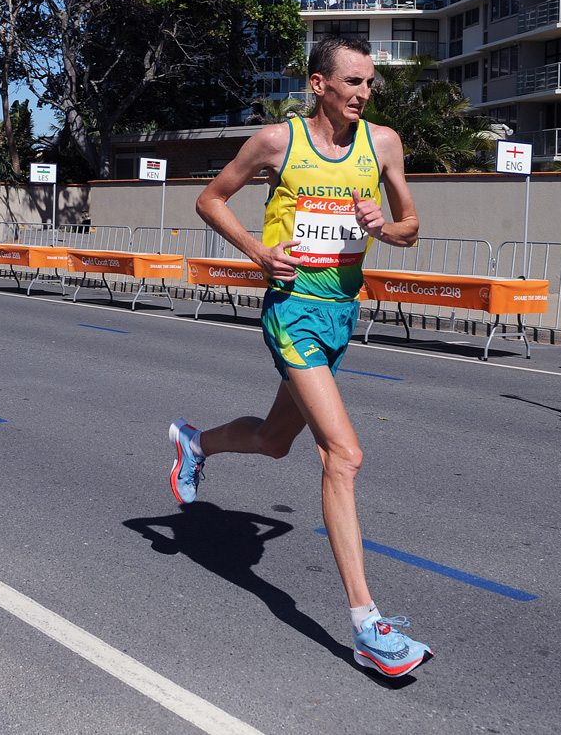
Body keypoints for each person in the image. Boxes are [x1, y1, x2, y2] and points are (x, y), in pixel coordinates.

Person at [178, 36, 431, 678]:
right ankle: (368, 626)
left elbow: (410, 227)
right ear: (318, 84)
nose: (363, 93)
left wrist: (384, 227)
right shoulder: (276, 143)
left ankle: (196, 444)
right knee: (344, 455)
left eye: (369, 83)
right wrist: (258, 254)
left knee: (272, 441)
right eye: (351, 82)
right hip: (292, 313)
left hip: (343, 314)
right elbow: (210, 199)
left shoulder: (384, 145)